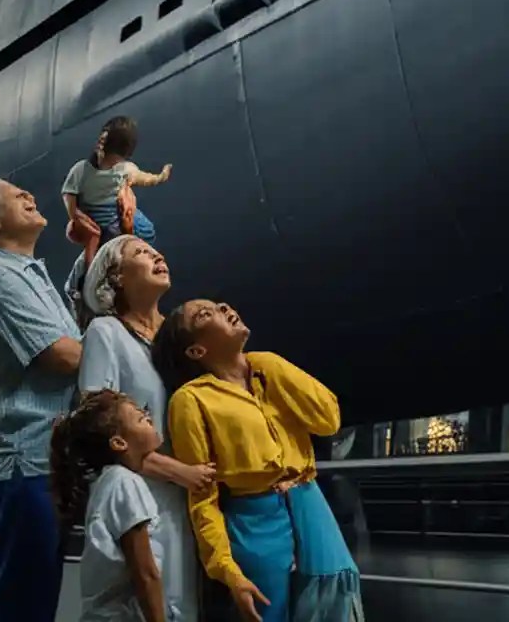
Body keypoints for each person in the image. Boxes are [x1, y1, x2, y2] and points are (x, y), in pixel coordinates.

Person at [152, 300, 364, 622]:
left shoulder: (268, 371)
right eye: (205, 314)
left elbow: (328, 419)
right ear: (196, 351)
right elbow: (202, 494)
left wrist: (271, 365)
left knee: (334, 601)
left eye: (217, 305)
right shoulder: (190, 400)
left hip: (309, 500)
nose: (223, 307)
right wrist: (226, 569)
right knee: (269, 615)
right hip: (254, 521)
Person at [0, 177, 83, 622]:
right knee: (19, 605)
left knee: (34, 599)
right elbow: (63, 356)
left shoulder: (33, 275)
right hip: (23, 460)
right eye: (17, 196)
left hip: (46, 460)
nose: (30, 195)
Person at [78, 235, 215, 621]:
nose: (157, 254)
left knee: (187, 607)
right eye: (141, 252)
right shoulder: (105, 333)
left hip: (189, 498)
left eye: (155, 249)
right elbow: (99, 428)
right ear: (116, 277)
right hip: (142, 501)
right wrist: (180, 472)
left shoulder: (176, 337)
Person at [51, 389, 171, 622]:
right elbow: (145, 573)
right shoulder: (125, 483)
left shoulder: (109, 482)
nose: (149, 418)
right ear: (119, 442)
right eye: (140, 417)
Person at [61, 116, 172, 272]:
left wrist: (160, 177)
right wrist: (75, 215)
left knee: (145, 230)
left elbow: (145, 178)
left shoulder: (124, 169)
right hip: (98, 216)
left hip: (114, 212)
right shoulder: (82, 170)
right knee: (102, 238)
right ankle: (90, 273)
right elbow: (68, 193)